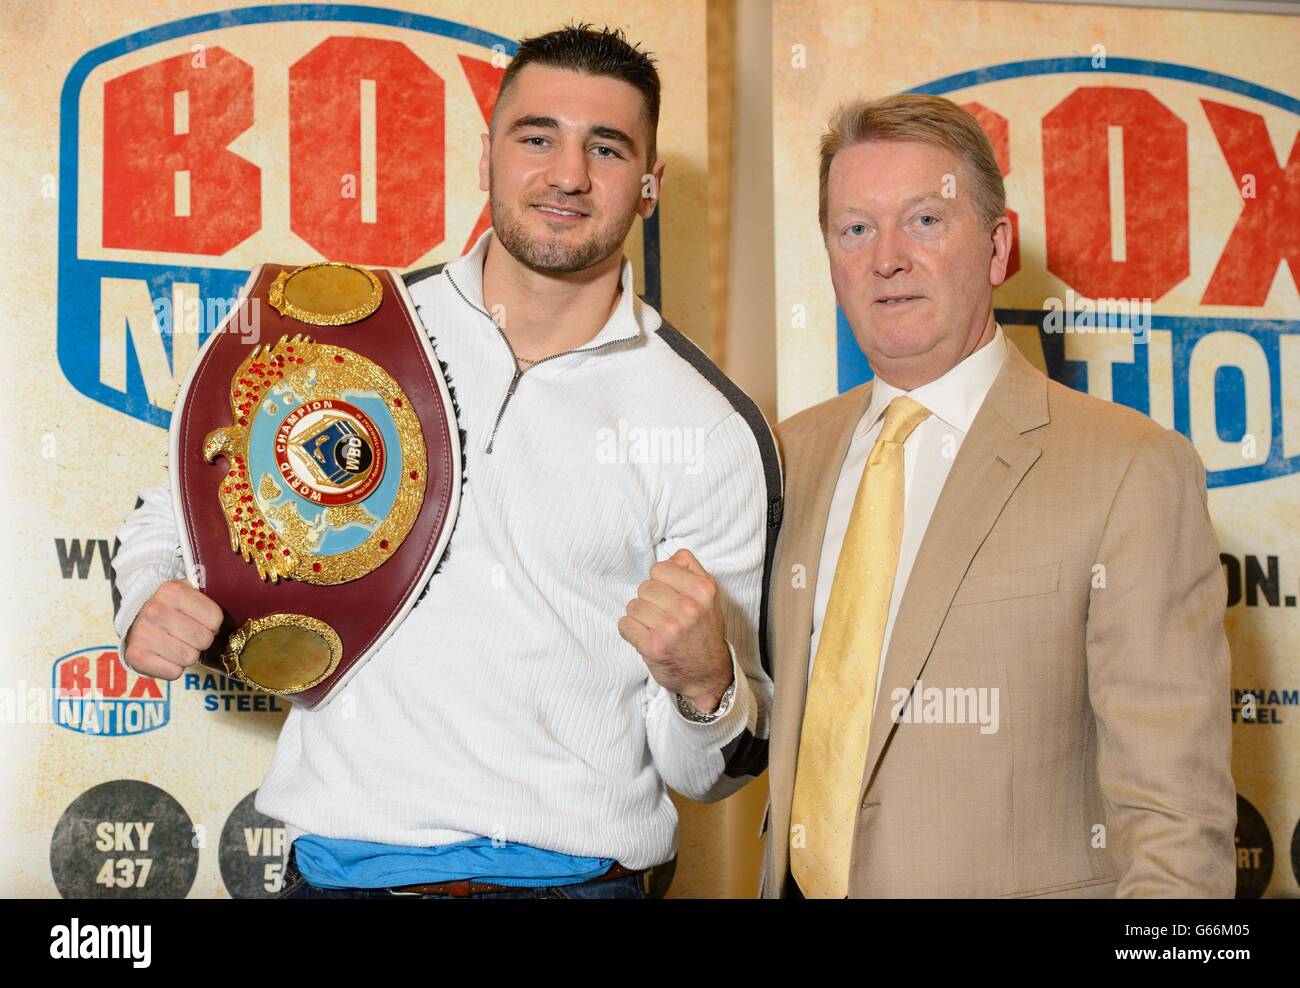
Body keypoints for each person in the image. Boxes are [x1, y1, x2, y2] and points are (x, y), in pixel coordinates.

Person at [111, 23, 779, 900]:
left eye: (606, 148)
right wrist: (146, 598)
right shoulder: (348, 333)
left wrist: (707, 684)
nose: (568, 174)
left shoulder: (710, 426)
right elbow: (174, 510)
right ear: (488, 158)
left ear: (649, 186)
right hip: (343, 873)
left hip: (579, 883)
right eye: (537, 137)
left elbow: (714, 771)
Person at [759, 93, 1234, 899]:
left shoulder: (1130, 468)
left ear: (996, 246)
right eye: (855, 228)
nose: (887, 259)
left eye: (926, 221)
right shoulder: (786, 455)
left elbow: (1175, 823)